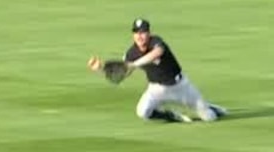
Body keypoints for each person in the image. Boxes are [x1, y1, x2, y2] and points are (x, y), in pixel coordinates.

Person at [88, 18, 226, 123]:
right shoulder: (131, 53)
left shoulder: (156, 42)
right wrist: (100, 69)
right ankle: (169, 115)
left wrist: (134, 64)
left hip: (181, 86)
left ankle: (209, 107)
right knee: (142, 112)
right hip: (156, 90)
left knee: (209, 118)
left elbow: (157, 53)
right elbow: (123, 73)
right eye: (137, 33)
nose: (140, 36)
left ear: (148, 33)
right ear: (133, 35)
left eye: (143, 32)